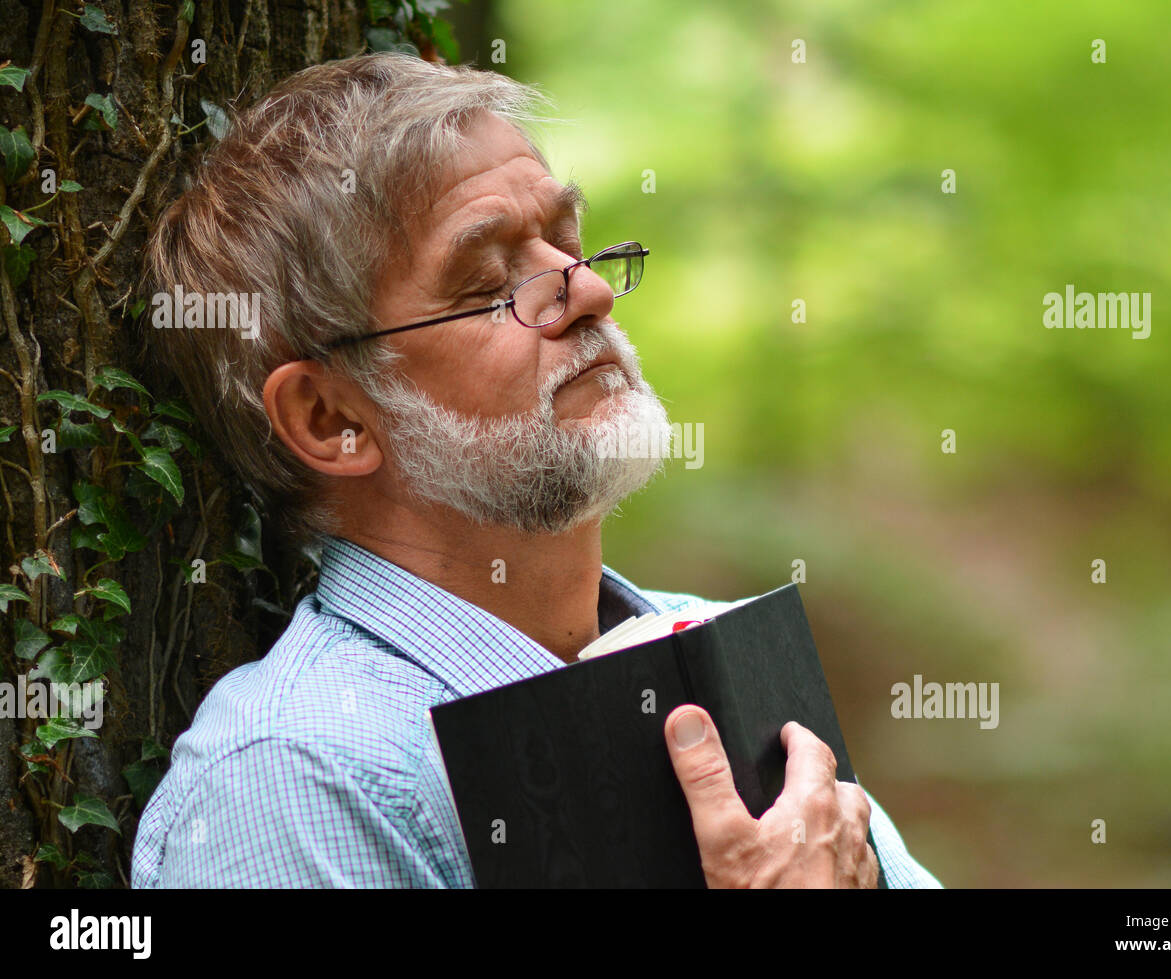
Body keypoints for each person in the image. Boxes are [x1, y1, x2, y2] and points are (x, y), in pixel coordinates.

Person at [130, 52, 940, 889]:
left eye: (569, 241)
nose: (587, 289)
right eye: (487, 282)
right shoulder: (294, 779)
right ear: (330, 418)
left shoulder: (721, 645)